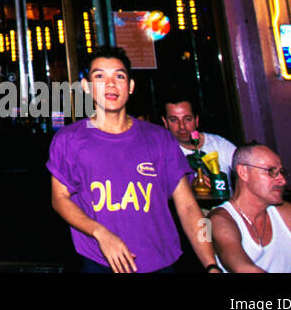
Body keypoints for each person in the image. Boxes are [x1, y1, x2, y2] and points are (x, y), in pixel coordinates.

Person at [47, 46, 219, 273]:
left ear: (130, 86)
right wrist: (99, 232)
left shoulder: (159, 138)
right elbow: (59, 199)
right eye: (99, 76)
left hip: (162, 262)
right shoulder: (69, 139)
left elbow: (188, 207)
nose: (110, 84)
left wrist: (211, 265)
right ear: (86, 88)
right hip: (100, 263)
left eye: (119, 76)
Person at [209, 142, 291, 273]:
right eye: (271, 171)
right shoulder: (220, 219)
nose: (282, 180)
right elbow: (242, 268)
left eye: (281, 172)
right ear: (243, 172)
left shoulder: (287, 213)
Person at [162, 94, 237, 175]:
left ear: (196, 120)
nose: (182, 126)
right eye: (174, 120)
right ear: (165, 122)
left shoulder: (219, 145)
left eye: (187, 119)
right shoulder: (162, 154)